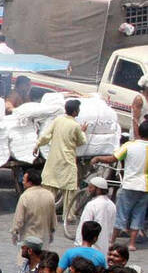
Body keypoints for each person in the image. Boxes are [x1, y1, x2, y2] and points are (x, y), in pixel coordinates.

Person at [94, 119, 148, 250]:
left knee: (121, 213)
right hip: (145, 187)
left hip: (129, 184)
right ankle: (132, 243)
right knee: (138, 215)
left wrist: (98, 158)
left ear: (139, 133)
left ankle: (112, 241)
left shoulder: (129, 146)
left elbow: (113, 158)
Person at [36, 99, 86, 212]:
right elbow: (81, 141)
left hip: (54, 161)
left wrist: (37, 145)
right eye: (78, 109)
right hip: (67, 161)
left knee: (50, 188)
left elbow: (46, 136)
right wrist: (83, 131)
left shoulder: (58, 120)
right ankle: (68, 215)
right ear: (74, 112)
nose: (79, 111)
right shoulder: (76, 126)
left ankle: (43, 212)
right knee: (69, 190)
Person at [12, 168, 57, 250]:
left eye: (24, 180)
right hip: (44, 239)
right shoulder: (50, 195)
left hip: (29, 239)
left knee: (26, 261)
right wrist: (52, 232)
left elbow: (18, 219)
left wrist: (14, 232)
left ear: (29, 183)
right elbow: (53, 218)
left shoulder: (25, 197)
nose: (23, 182)